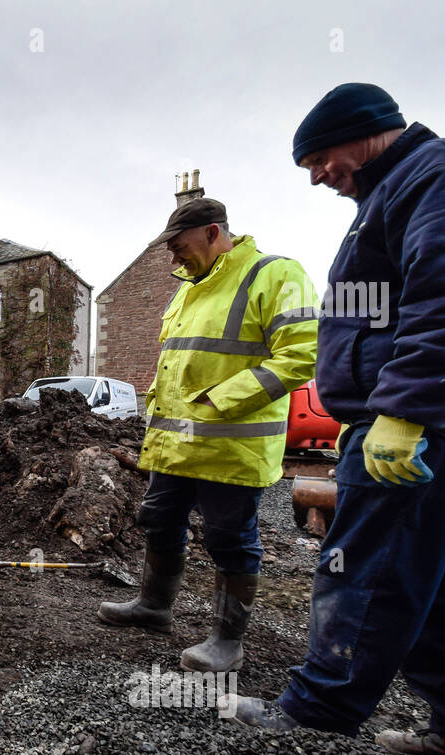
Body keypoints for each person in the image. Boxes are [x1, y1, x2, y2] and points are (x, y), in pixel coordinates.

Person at [223, 83, 445, 755]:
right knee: (437, 584)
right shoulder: (400, 194)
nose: (315, 175)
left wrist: (405, 411)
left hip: (426, 423)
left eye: (320, 157)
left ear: (364, 132)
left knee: (367, 570)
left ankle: (319, 709)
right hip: (419, 419)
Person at [98, 198, 319, 672]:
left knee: (230, 539)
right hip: (175, 447)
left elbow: (304, 352)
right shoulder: (187, 290)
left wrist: (224, 399)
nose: (175, 260)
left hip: (231, 447)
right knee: (158, 520)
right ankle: (154, 607)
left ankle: (227, 643)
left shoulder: (275, 274)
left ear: (213, 232)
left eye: (181, 247)